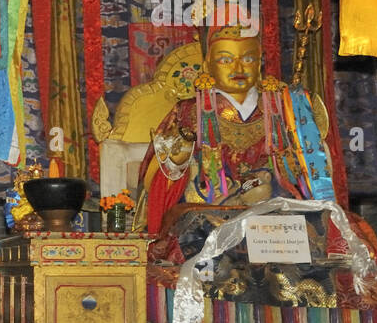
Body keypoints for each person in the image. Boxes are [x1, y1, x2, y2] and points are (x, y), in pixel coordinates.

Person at [136, 19, 333, 233]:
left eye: (248, 58)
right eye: (225, 60)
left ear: (260, 64)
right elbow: (158, 177)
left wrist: (263, 184)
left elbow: (303, 170)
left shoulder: (279, 109)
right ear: (207, 65)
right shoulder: (188, 111)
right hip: (210, 206)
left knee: (301, 228)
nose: (238, 68)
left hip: (271, 206)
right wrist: (177, 158)